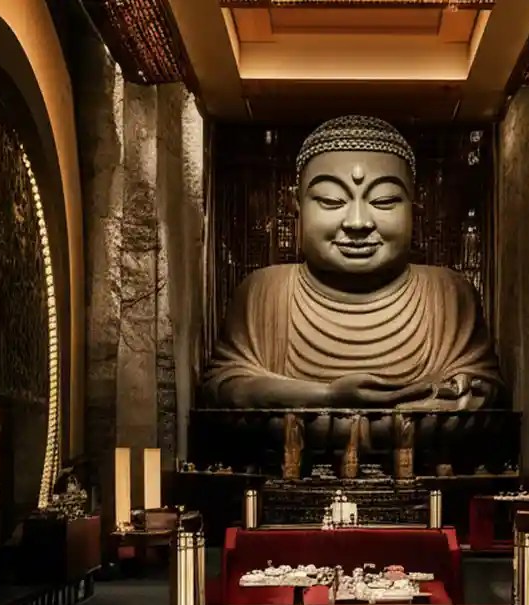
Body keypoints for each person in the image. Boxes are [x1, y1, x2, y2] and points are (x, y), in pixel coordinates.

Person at [201, 115, 503, 410]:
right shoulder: (265, 292)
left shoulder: (447, 294)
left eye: (384, 201)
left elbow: (481, 388)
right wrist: (326, 396)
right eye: (331, 201)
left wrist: (452, 396)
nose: (358, 222)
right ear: (296, 209)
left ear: (415, 209)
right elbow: (225, 386)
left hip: (421, 445)